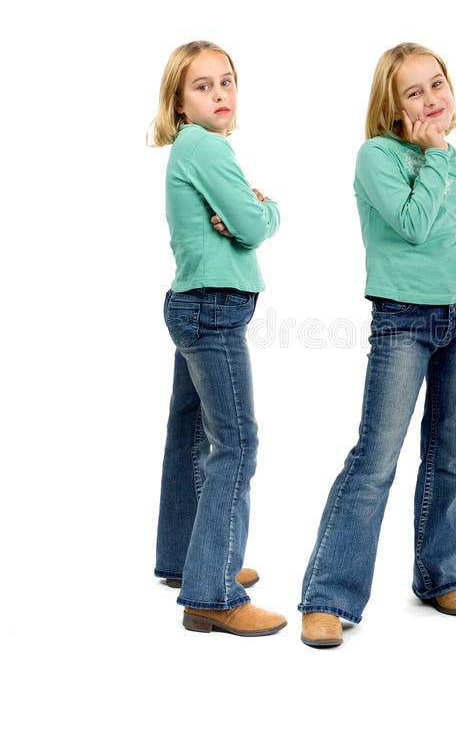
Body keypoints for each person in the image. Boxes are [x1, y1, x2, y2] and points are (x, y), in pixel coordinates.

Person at [298, 42, 456, 648]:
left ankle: (438, 575)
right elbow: (415, 224)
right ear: (392, 105)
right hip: (402, 320)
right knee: (376, 459)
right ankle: (327, 596)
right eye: (414, 92)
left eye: (437, 84)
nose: (431, 100)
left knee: (449, 453)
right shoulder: (378, 156)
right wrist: (433, 159)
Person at [149, 40, 286, 637]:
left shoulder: (194, 148)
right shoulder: (205, 147)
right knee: (235, 443)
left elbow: (247, 221)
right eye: (202, 86)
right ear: (179, 102)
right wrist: (264, 208)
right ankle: (213, 592)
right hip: (211, 309)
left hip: (193, 303)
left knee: (191, 435)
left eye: (226, 81)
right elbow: (255, 224)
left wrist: (252, 212)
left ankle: (187, 559)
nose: (220, 94)